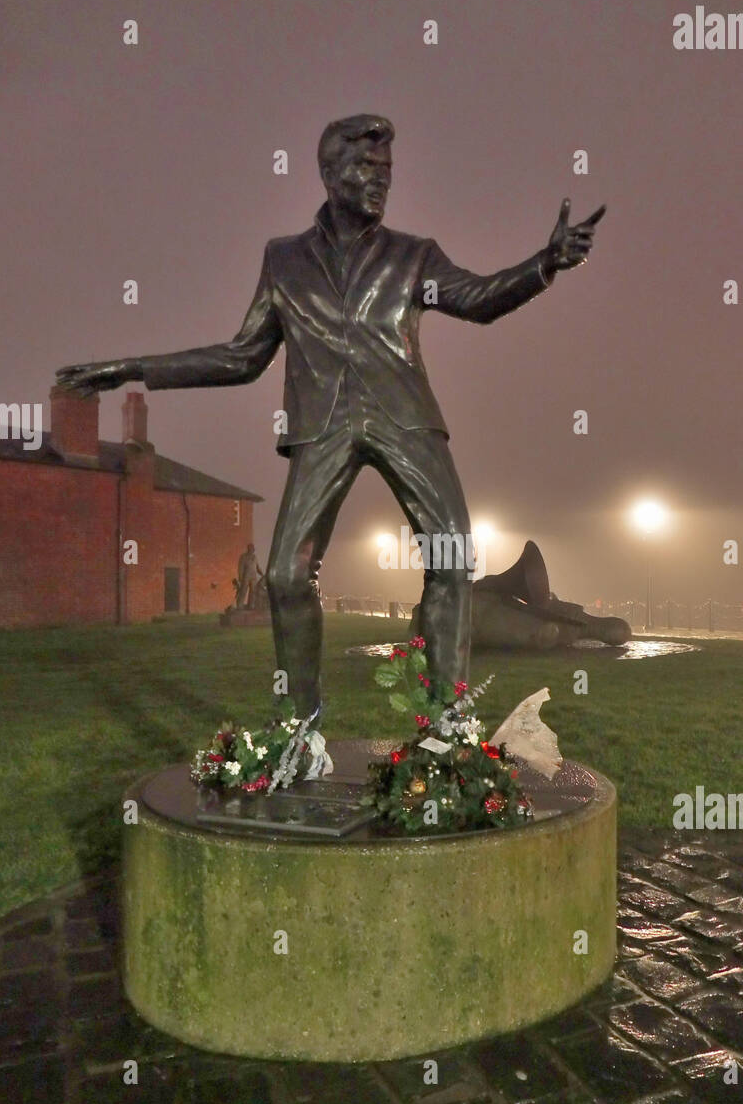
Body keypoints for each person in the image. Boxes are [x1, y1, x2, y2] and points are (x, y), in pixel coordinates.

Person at [57, 114, 604, 724]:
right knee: (287, 577)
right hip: (321, 428)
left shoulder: (412, 256)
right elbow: (242, 357)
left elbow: (478, 300)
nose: (380, 181)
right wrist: (134, 367)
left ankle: (447, 730)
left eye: (388, 171)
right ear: (327, 173)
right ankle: (299, 725)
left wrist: (544, 264)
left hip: (406, 422)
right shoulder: (284, 260)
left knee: (450, 560)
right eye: (366, 169)